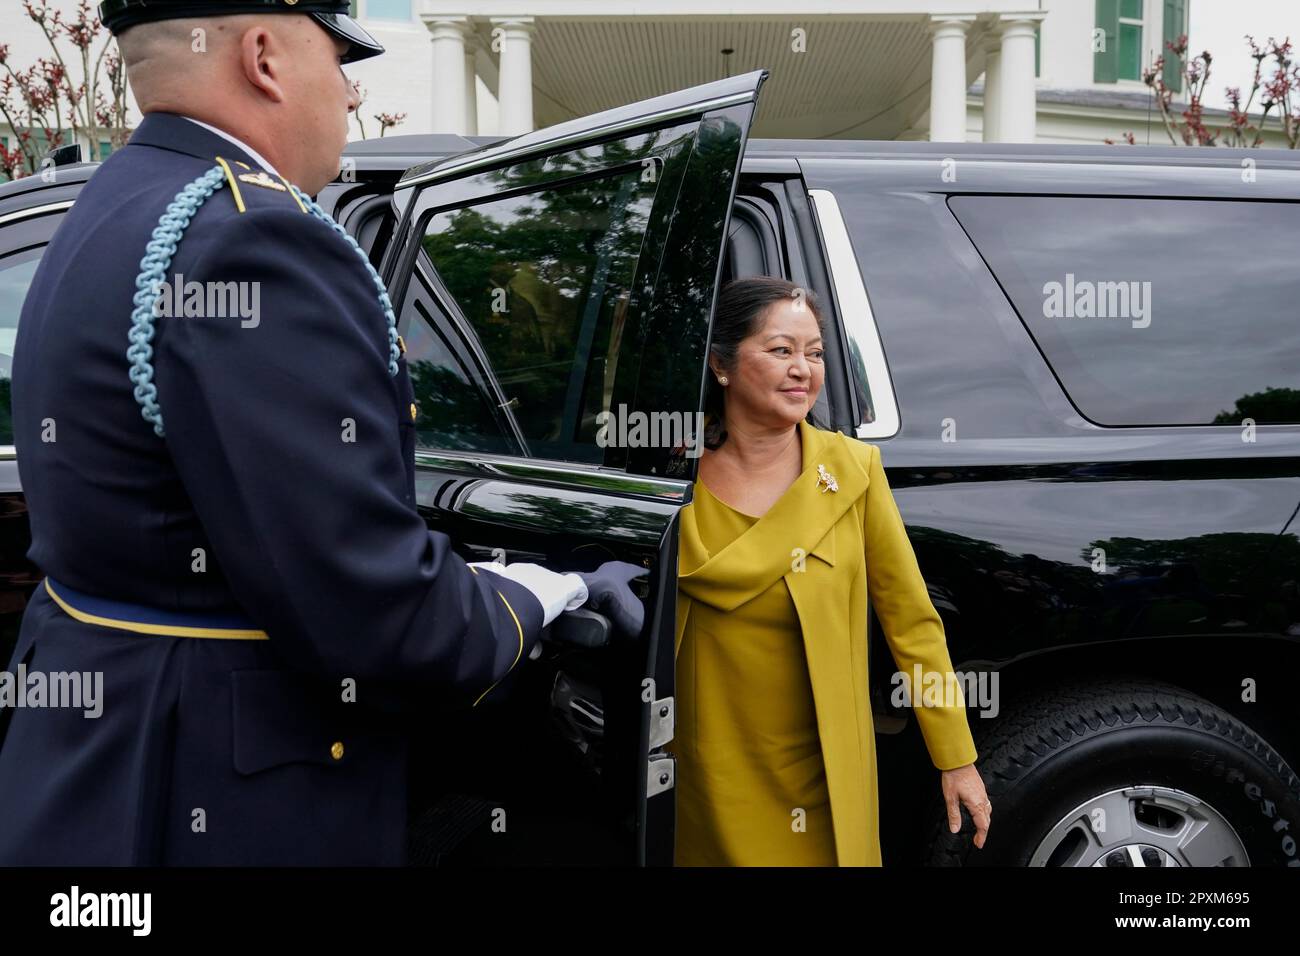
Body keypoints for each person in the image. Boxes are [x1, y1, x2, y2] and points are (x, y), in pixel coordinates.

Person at [0, 0, 640, 865]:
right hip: (218, 786)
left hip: (103, 756)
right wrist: (532, 591)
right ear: (264, 57)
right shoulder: (252, 236)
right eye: (339, 64)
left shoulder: (117, 200)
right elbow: (380, 619)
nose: (345, 94)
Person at [667, 276, 992, 866]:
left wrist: (956, 757)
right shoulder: (667, 477)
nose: (803, 369)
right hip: (704, 766)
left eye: (814, 353)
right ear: (721, 365)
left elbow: (912, 624)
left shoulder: (853, 471)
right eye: (781, 350)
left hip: (824, 769)